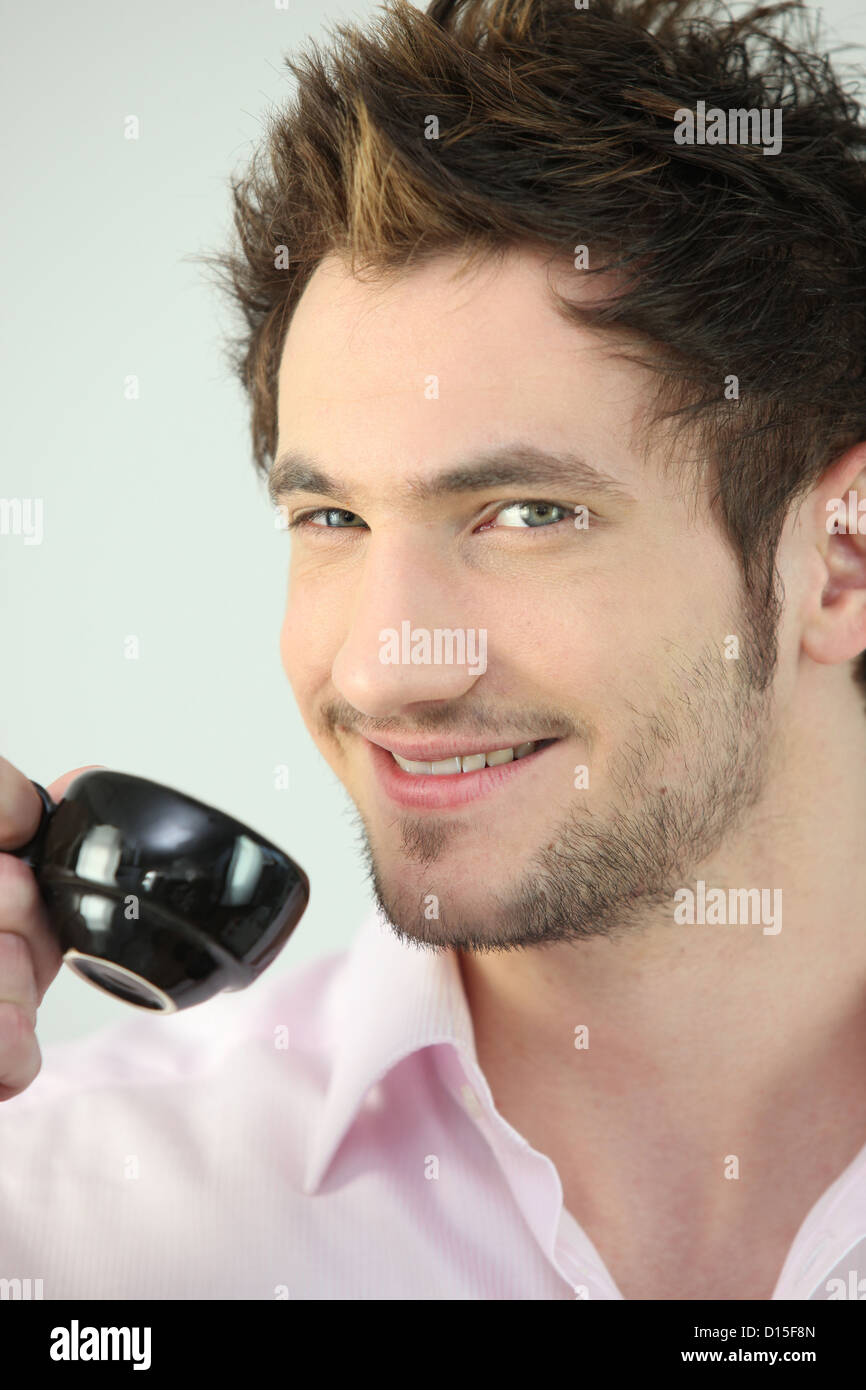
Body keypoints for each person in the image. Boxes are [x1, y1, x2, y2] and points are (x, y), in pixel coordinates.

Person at [2, 0, 866, 1302]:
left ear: (839, 558)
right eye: (332, 517)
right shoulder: (66, 1217)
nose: (383, 671)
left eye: (526, 514)